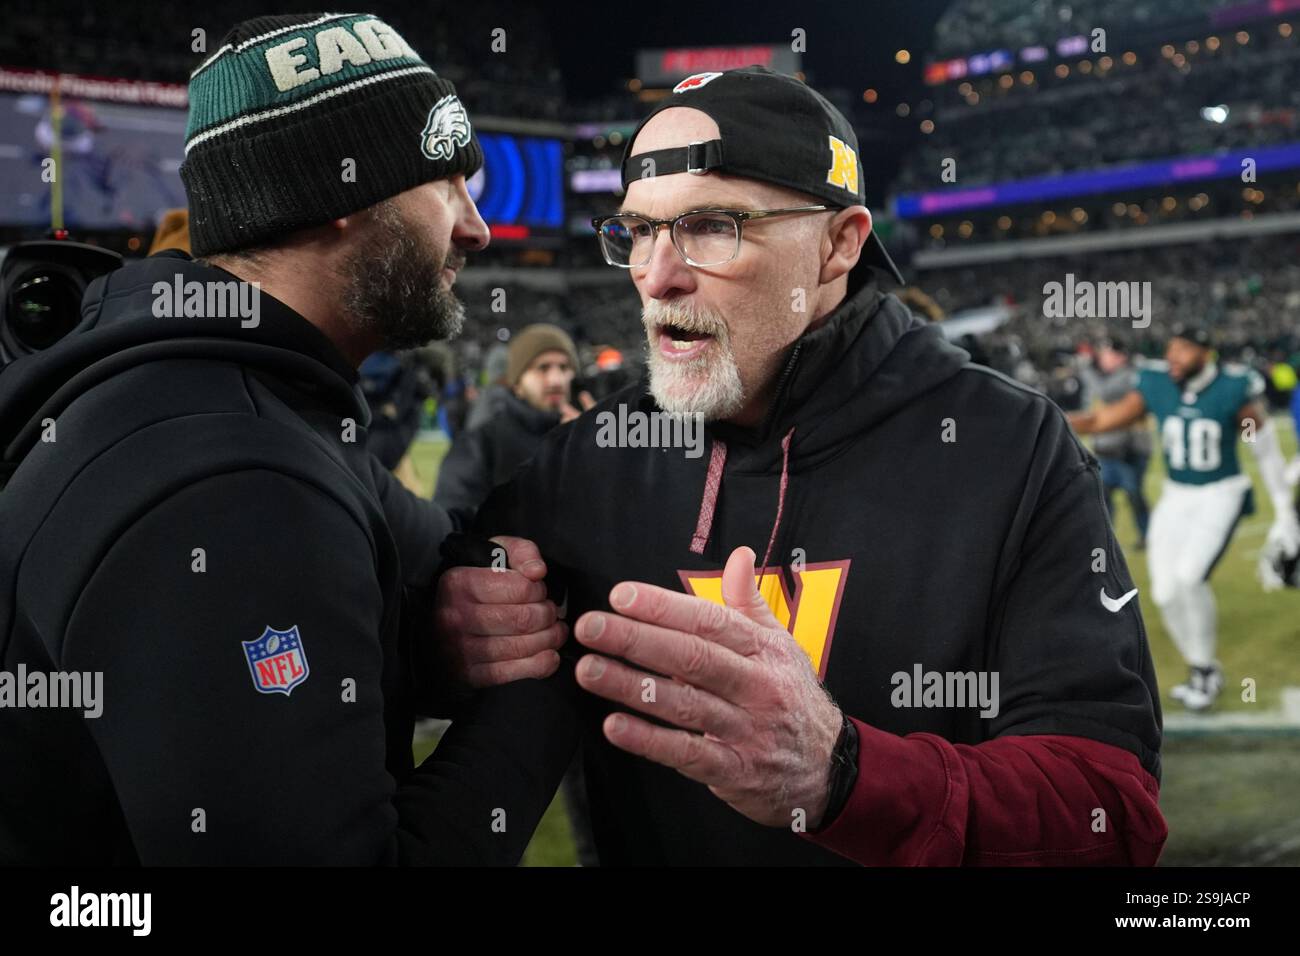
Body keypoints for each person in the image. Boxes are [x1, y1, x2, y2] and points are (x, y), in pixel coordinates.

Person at [441, 67, 1169, 865]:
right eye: (637, 233)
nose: (656, 275)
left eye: (711, 226)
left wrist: (843, 775)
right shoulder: (586, 466)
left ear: (838, 243)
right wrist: (449, 626)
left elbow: (1108, 809)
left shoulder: (1009, 448)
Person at [0, 12, 567, 864]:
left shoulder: (235, 388)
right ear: (338, 196)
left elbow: (435, 561)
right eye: (446, 183)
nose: (475, 227)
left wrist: (438, 636)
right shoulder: (234, 479)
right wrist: (550, 687)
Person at [1070, 326, 1300, 712]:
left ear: (1206, 353)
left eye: (1184, 350)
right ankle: (1201, 667)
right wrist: (1041, 416)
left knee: (1190, 577)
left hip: (1220, 491)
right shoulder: (1156, 383)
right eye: (1170, 348)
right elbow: (1103, 420)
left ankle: (1204, 670)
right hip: (1177, 496)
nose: (1173, 357)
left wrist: (1283, 512)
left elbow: (1263, 449)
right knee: (1162, 593)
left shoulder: (1234, 387)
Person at [435, 324, 584, 515]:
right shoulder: (481, 443)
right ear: (517, 383)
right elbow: (452, 526)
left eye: (564, 367)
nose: (557, 380)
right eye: (543, 368)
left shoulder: (586, 436)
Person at [1080, 339, 1152, 548]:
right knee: (1103, 499)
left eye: (1107, 353)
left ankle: (1148, 535)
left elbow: (1105, 392)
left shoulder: (1131, 376)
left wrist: (1086, 370)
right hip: (1105, 449)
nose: (1102, 358)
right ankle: (1105, 539)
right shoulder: (1102, 378)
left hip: (1130, 450)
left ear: (1121, 357)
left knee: (1134, 496)